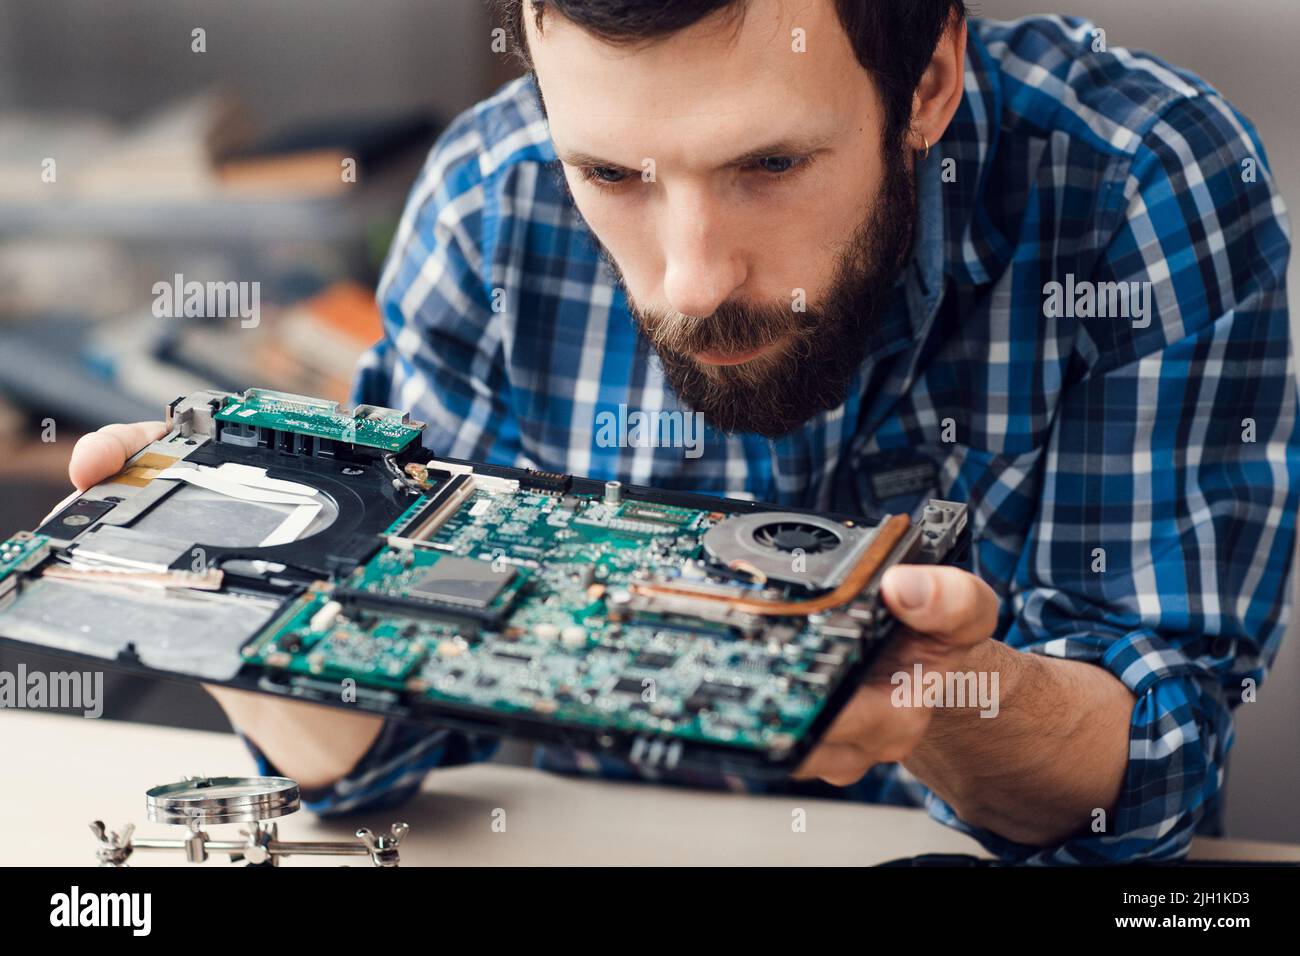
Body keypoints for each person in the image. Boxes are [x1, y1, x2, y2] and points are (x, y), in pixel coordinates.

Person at [63, 1, 1297, 864]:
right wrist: (253, 601)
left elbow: (1151, 782)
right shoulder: (489, 203)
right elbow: (387, 745)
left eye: (767, 163)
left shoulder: (1143, 185)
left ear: (925, 82)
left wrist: (955, 699)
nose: (692, 281)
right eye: (614, 176)